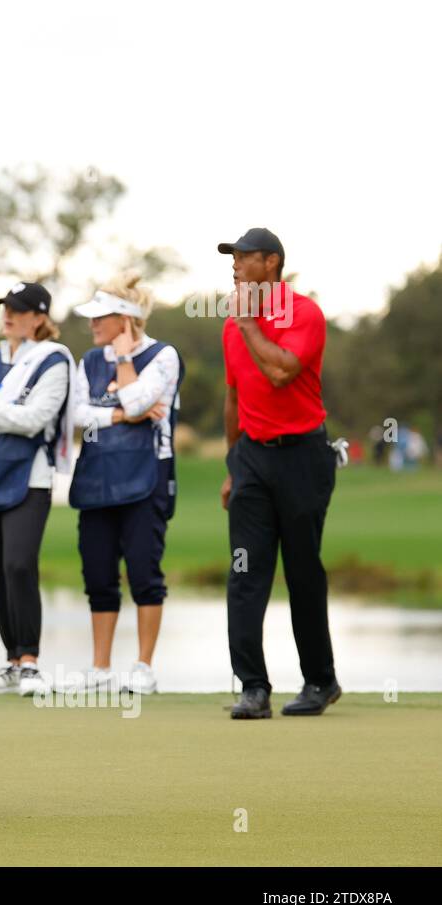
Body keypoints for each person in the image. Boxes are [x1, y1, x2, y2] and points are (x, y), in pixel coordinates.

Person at [218, 228, 341, 719]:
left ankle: (320, 680)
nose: (235, 266)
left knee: (302, 569)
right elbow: (233, 397)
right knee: (245, 570)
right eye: (233, 258)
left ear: (271, 262)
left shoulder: (304, 313)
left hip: (304, 457)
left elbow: (282, 370)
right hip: (252, 458)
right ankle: (254, 687)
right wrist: (232, 466)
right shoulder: (232, 325)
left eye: (243, 258)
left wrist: (248, 324)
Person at [68, 272, 183, 695]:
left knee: (143, 570)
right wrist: (120, 415)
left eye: (102, 317)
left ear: (127, 319)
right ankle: (100, 668)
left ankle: (143, 667)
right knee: (98, 573)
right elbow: (77, 414)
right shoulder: (88, 360)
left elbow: (139, 400)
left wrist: (123, 362)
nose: (93, 325)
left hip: (147, 476)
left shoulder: (164, 356)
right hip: (97, 475)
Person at [0, 282, 74, 696]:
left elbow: (36, 420)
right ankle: (11, 660)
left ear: (40, 317)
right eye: (5, 308)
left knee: (19, 565)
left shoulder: (54, 361)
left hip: (31, 477)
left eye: (18, 309)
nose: (8, 315)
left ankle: (30, 662)